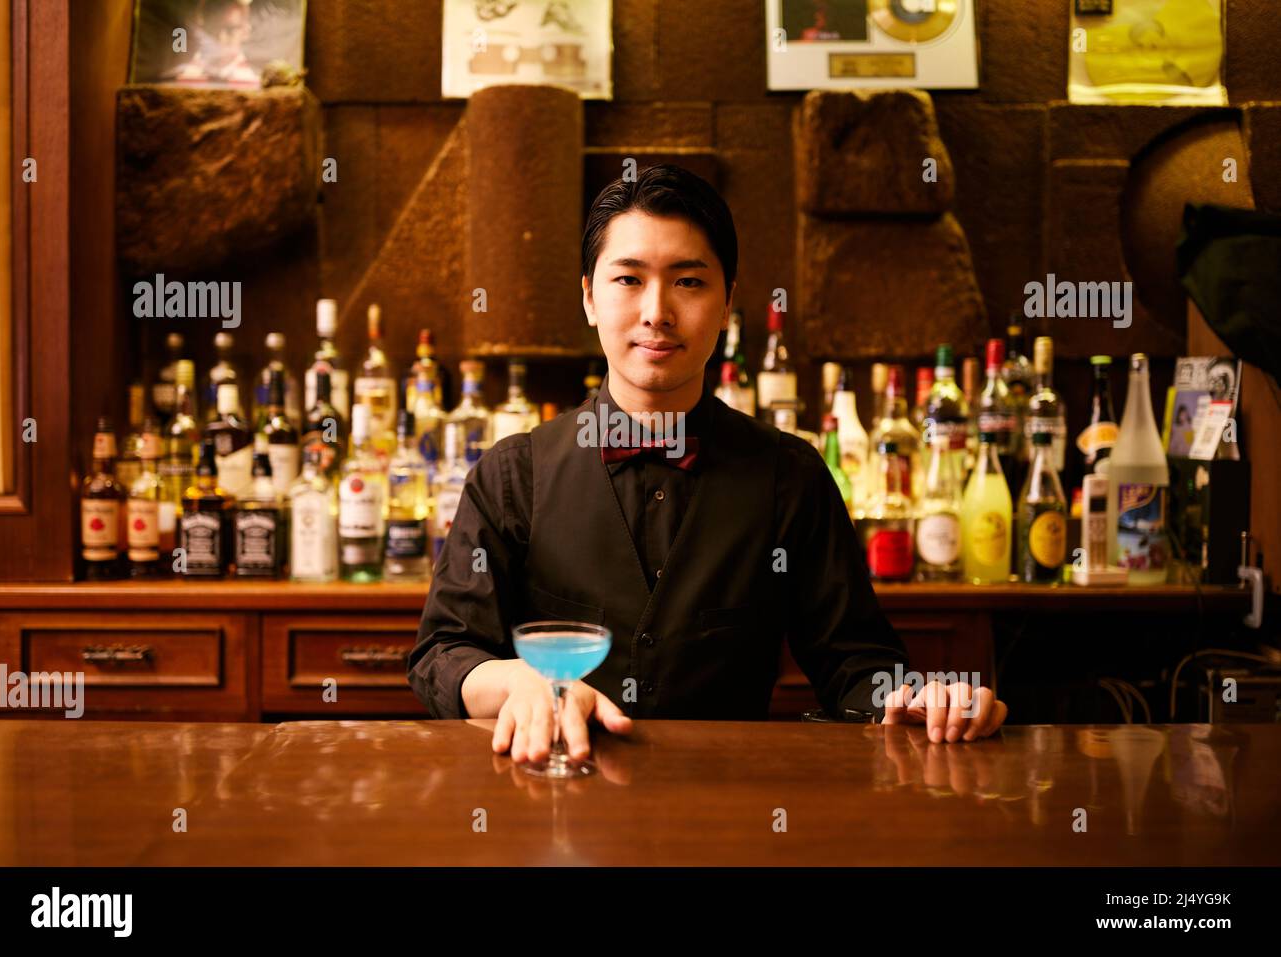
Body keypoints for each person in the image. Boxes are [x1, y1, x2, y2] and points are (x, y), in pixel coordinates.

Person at [408, 164, 1008, 765]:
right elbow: (443, 652)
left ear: (726, 306)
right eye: (628, 279)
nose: (657, 311)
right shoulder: (513, 475)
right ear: (589, 297)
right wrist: (517, 681)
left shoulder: (788, 476)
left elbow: (854, 662)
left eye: (688, 282)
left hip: (734, 814)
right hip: (555, 805)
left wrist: (923, 699)